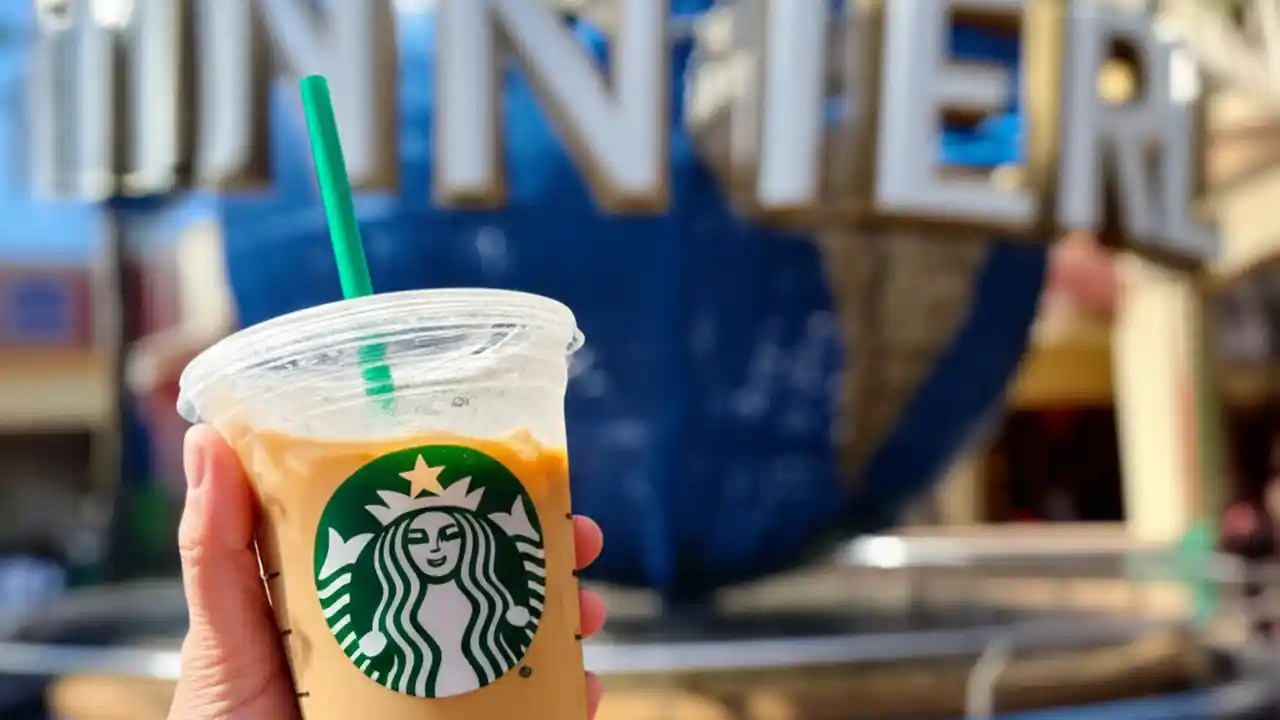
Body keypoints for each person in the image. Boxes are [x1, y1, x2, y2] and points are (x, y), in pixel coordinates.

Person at [169, 425, 607, 719]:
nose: (435, 548)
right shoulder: (390, 622)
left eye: (449, 534)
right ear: (395, 548)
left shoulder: (496, 613)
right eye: (417, 538)